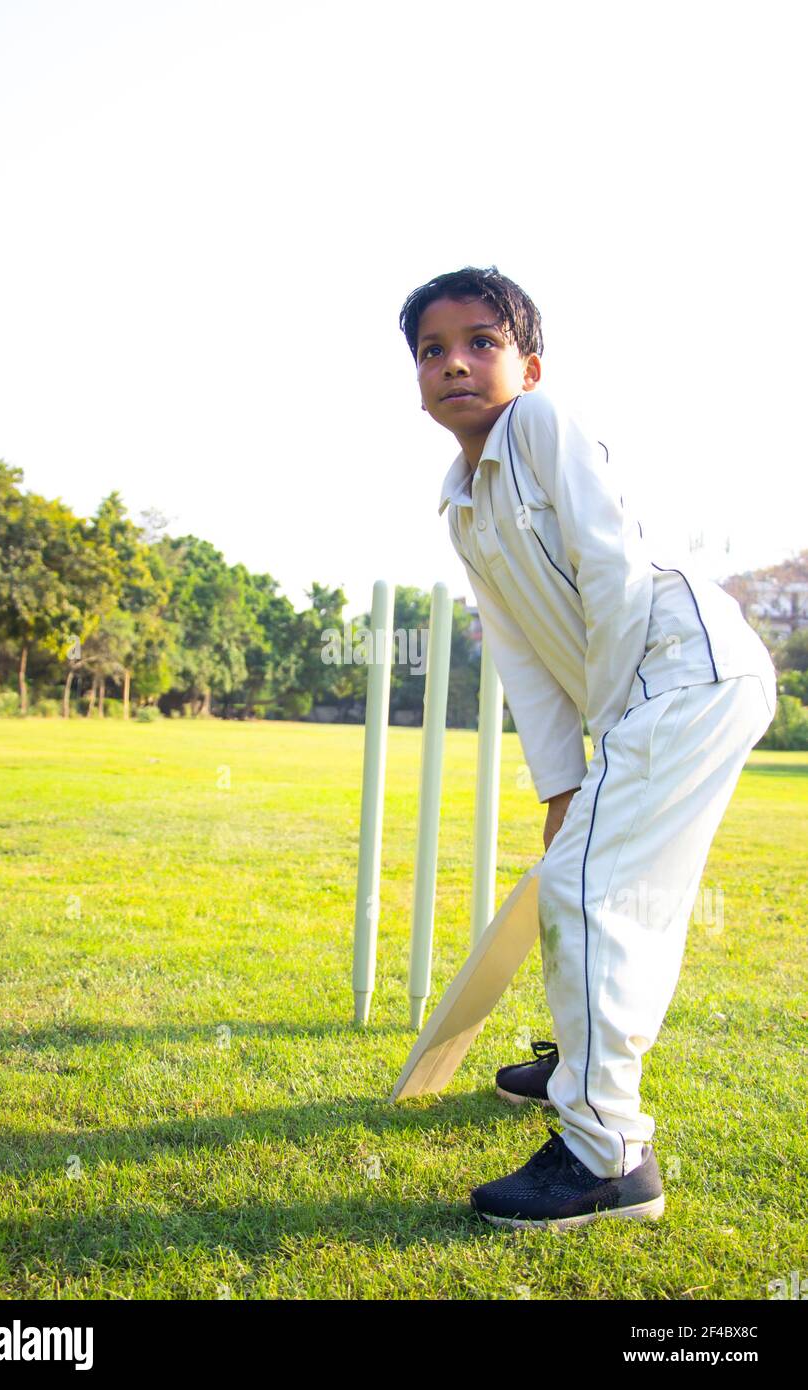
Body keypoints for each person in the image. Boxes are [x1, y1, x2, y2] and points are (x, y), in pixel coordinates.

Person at [398, 265, 777, 1229]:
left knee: (589, 891)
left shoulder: (539, 425)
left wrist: (605, 731)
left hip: (681, 666)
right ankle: (578, 1066)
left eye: (481, 342)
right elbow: (522, 654)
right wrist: (561, 782)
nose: (455, 364)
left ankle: (607, 1155)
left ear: (527, 363)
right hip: (651, 691)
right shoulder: (458, 503)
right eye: (432, 350)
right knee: (593, 876)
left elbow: (608, 571)